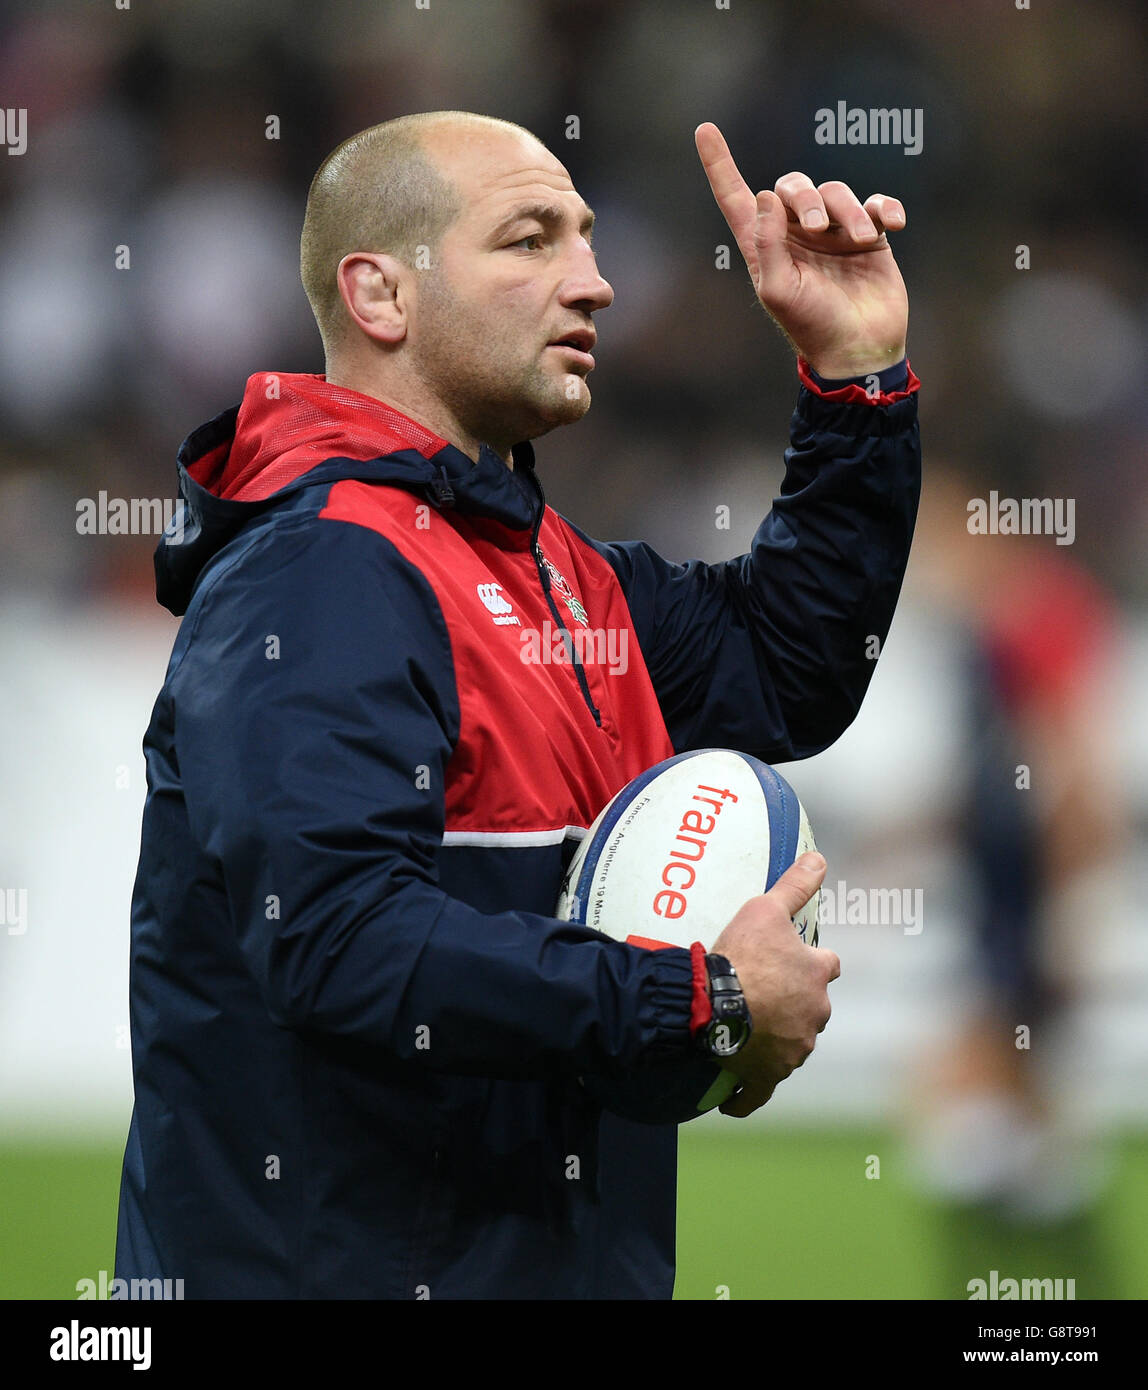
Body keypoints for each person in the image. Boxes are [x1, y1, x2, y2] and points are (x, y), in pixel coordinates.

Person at [115, 110, 920, 1298]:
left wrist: (854, 378)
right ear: (380, 295)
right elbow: (337, 938)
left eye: (587, 240)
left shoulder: (556, 569)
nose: (592, 283)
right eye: (531, 240)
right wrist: (702, 999)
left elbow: (788, 665)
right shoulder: (322, 570)